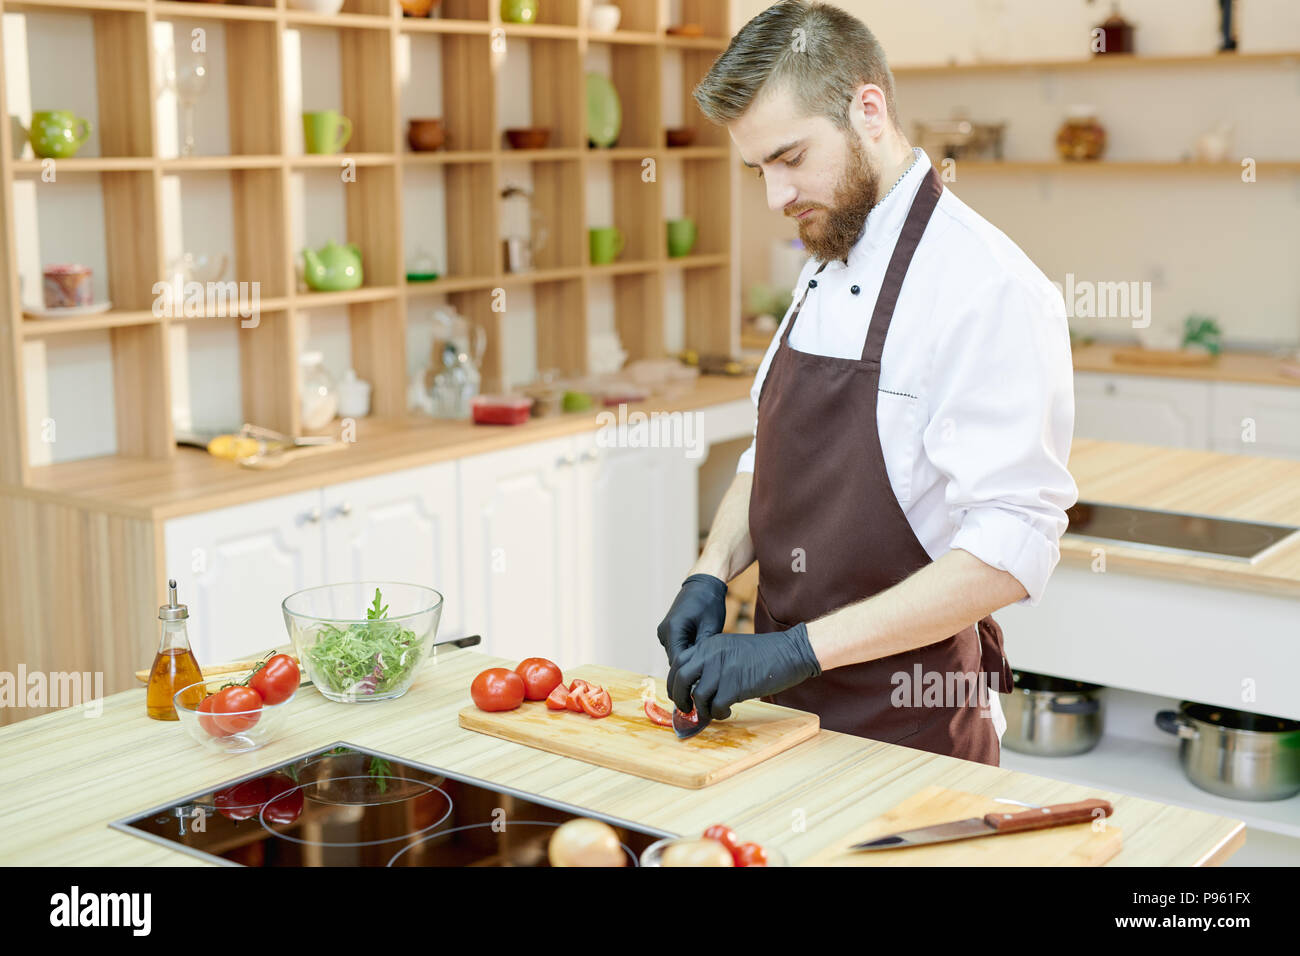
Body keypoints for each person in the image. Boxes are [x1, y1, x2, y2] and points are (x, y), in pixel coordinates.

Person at [656, 0, 1077, 766]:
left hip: (912, 726)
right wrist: (710, 571)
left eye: (789, 158)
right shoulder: (825, 254)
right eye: (757, 169)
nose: (775, 198)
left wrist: (797, 650)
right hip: (782, 715)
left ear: (868, 109)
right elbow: (771, 457)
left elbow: (1009, 549)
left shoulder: (989, 287)